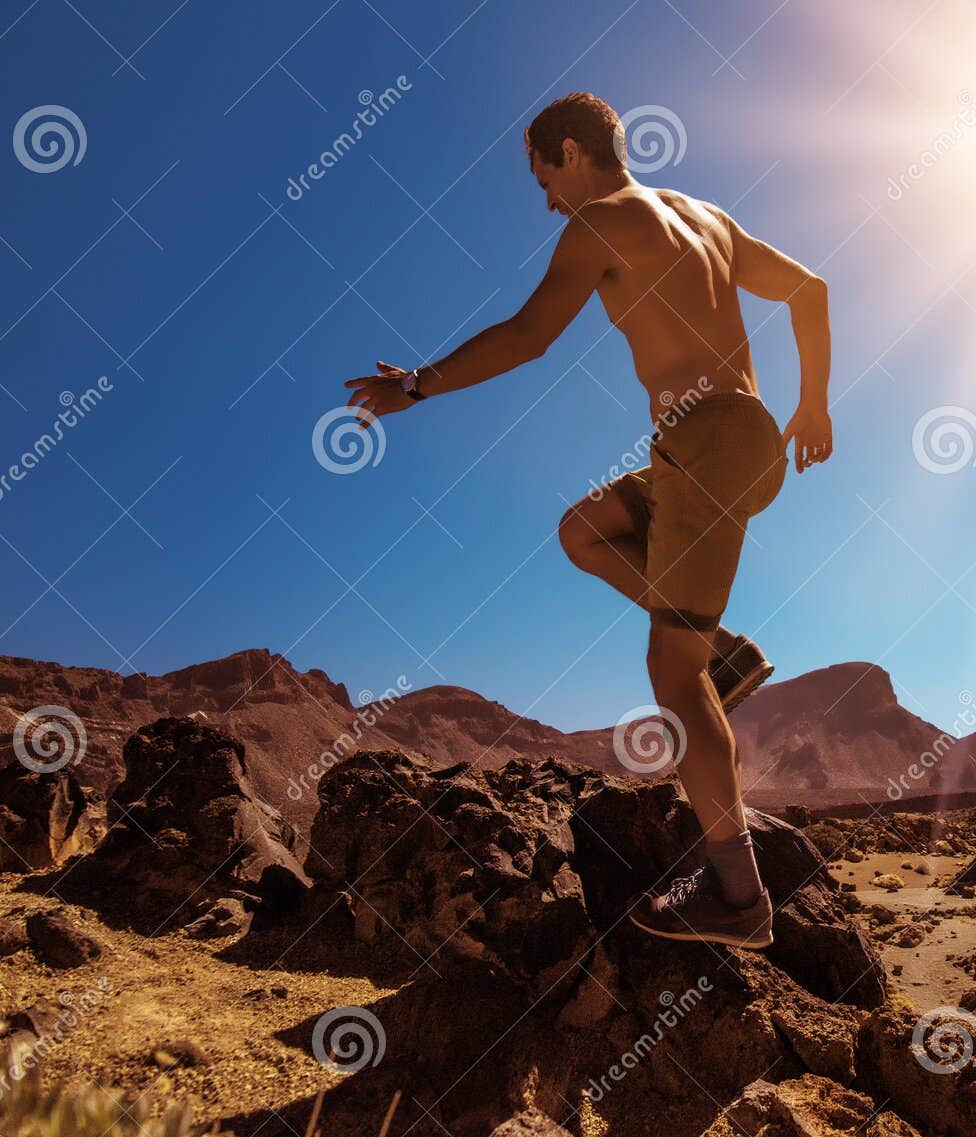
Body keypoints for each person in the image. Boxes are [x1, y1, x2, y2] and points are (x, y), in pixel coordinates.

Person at [342, 92, 833, 949]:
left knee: (673, 678)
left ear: (569, 151)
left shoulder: (600, 222)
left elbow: (530, 335)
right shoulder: (706, 217)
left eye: (541, 177)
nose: (545, 200)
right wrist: (814, 406)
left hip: (706, 441)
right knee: (582, 529)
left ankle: (739, 896)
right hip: (738, 439)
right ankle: (727, 653)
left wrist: (416, 386)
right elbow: (811, 290)